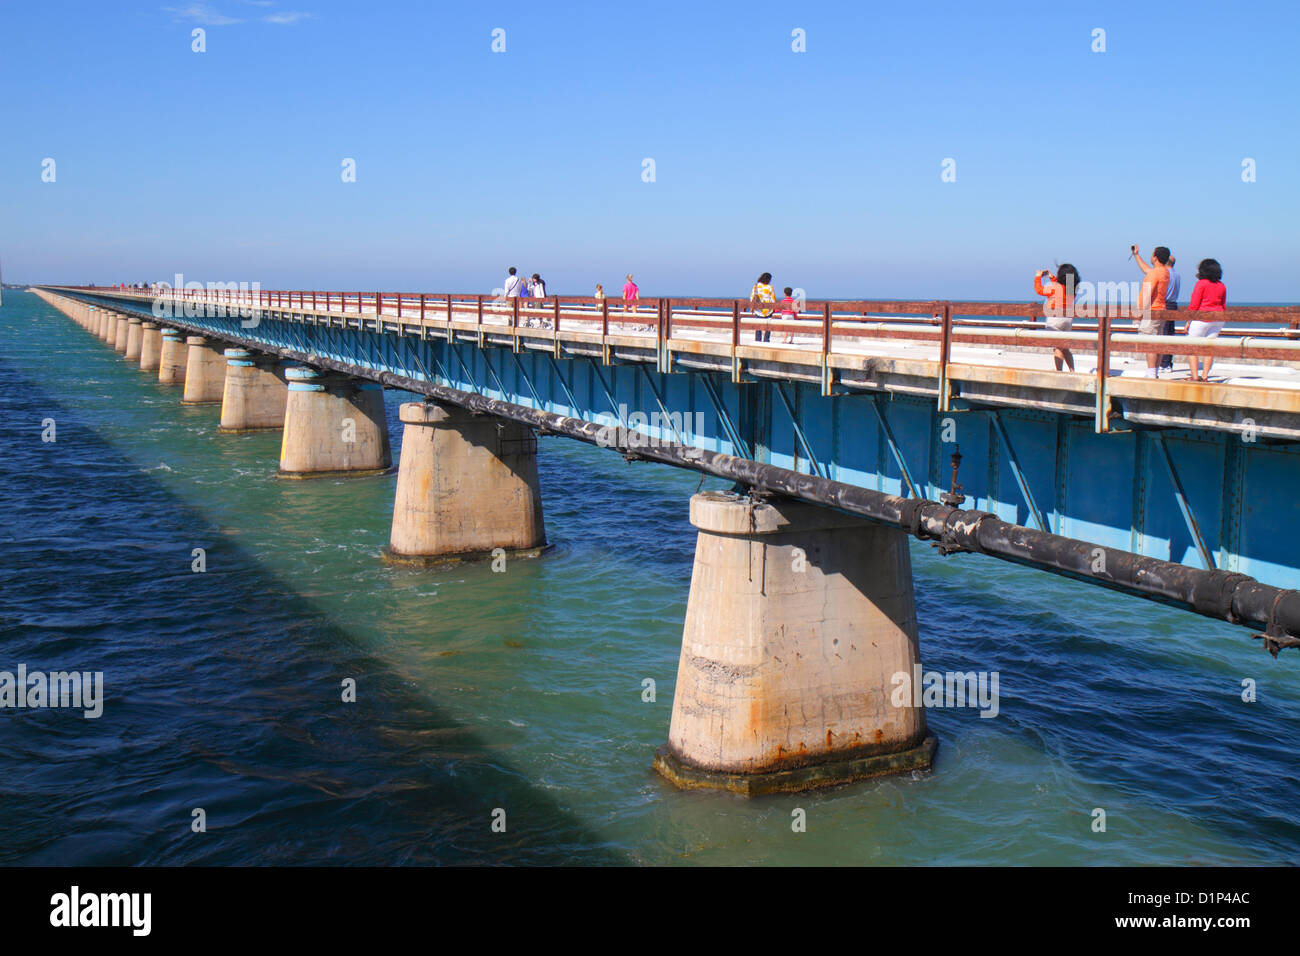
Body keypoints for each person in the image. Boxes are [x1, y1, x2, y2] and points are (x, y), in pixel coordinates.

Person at [1130, 244, 1171, 378]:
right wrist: (1136, 255)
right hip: (1161, 311)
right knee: (1157, 343)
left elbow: (1146, 295)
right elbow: (1146, 269)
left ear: (1155, 257)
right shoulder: (1164, 272)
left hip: (1151, 312)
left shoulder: (1154, 274)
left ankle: (1151, 373)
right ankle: (1154, 372)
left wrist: (1138, 315)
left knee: (1149, 344)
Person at [1185, 258, 1227, 382]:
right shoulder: (1222, 286)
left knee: (1191, 347)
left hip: (1201, 318)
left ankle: (1194, 376)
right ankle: (1204, 377)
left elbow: (1194, 304)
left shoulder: (1201, 284)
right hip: (1218, 318)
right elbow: (1223, 304)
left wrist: (1188, 320)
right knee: (1209, 349)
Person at [1033, 263, 1080, 371]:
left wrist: (1038, 277)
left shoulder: (1054, 287)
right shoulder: (1071, 289)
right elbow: (1061, 288)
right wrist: (1052, 278)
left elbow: (1039, 290)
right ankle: (1072, 371)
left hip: (1055, 319)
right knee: (1065, 347)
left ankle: (1059, 372)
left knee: (1058, 347)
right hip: (1067, 319)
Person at [1158, 255, 1181, 370]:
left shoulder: (1165, 274)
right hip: (1173, 305)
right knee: (1170, 334)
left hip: (1165, 304)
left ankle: (1164, 363)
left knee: (1164, 334)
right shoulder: (1177, 275)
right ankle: (1168, 362)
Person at [750, 272, 776, 342]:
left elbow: (752, 297)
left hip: (758, 309)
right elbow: (773, 299)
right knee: (768, 326)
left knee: (758, 326)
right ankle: (766, 340)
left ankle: (758, 339)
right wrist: (773, 307)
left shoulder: (756, 286)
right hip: (768, 310)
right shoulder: (770, 287)